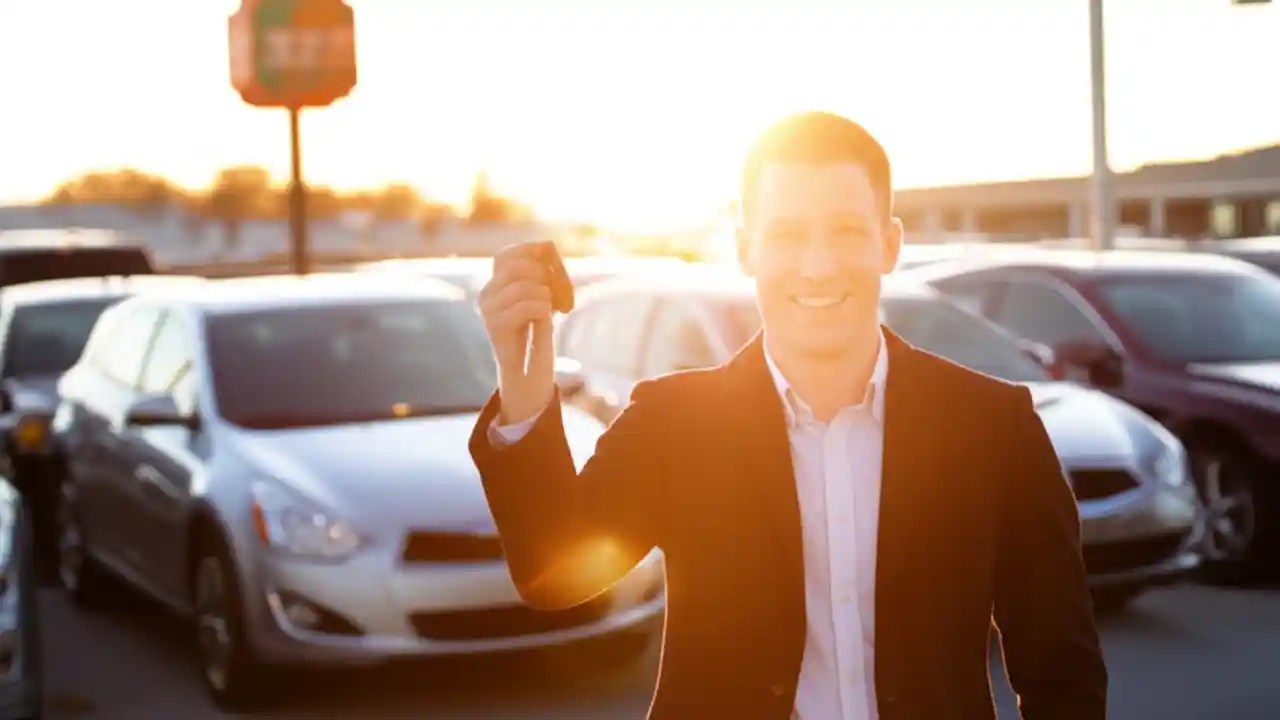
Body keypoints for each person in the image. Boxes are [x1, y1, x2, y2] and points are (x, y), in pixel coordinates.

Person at [468, 111, 1107, 719]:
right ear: (746, 249)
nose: (818, 265)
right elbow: (553, 575)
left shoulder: (993, 428)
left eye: (846, 232)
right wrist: (524, 389)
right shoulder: (676, 424)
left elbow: (1061, 673)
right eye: (788, 234)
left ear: (889, 244)